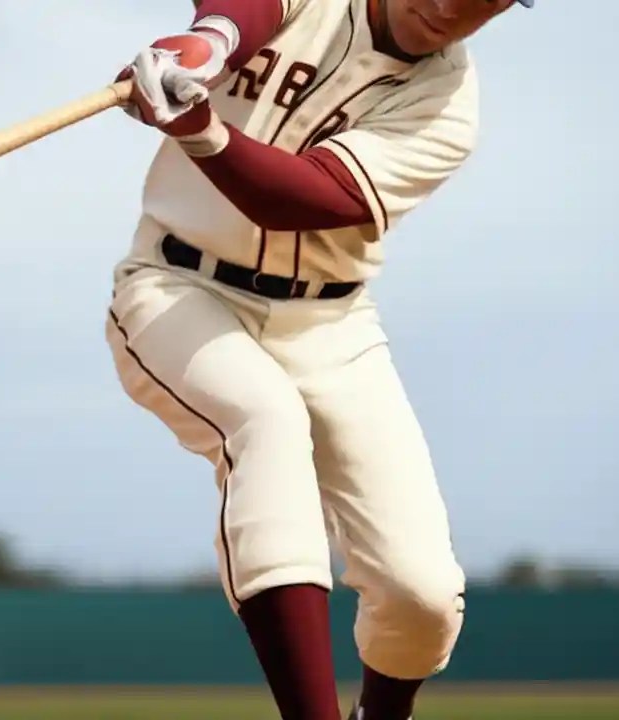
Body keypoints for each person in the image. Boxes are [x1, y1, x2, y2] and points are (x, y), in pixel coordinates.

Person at [105, 1, 532, 718]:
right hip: (179, 286)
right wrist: (212, 42)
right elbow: (249, 8)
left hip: (331, 323)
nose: (461, 5)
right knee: (265, 421)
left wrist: (200, 130)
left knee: (422, 594)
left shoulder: (448, 107)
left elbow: (307, 196)